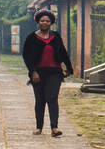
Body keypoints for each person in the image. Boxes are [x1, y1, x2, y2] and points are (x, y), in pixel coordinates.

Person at [22, 9, 73, 137]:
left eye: (47, 21)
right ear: (38, 22)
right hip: (38, 73)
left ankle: (54, 128)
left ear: (51, 23)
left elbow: (63, 53)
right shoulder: (31, 38)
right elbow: (26, 56)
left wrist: (69, 68)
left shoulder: (55, 36)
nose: (44, 23)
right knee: (40, 100)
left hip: (55, 72)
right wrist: (32, 71)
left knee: (52, 98)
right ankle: (39, 127)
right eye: (42, 21)